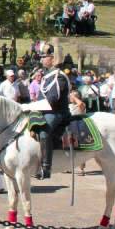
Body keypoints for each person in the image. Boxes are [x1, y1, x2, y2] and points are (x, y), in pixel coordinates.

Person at [37, 44, 72, 179]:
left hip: (57, 113)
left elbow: (53, 99)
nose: (42, 59)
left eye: (44, 57)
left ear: (52, 58)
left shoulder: (59, 77)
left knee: (44, 131)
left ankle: (46, 168)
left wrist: (35, 107)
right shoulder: (48, 75)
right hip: (45, 110)